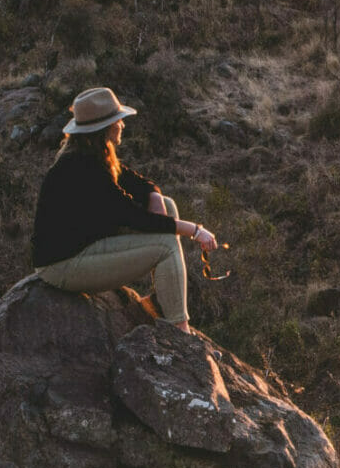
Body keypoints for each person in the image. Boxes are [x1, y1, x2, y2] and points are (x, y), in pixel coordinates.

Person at [29, 86, 218, 326]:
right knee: (167, 246)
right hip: (62, 266)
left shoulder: (93, 154)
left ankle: (165, 300)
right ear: (105, 128)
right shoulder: (83, 168)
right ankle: (180, 329)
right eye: (118, 121)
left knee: (168, 206)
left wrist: (155, 195)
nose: (123, 125)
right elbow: (136, 218)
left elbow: (136, 182)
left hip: (83, 245)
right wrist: (196, 230)